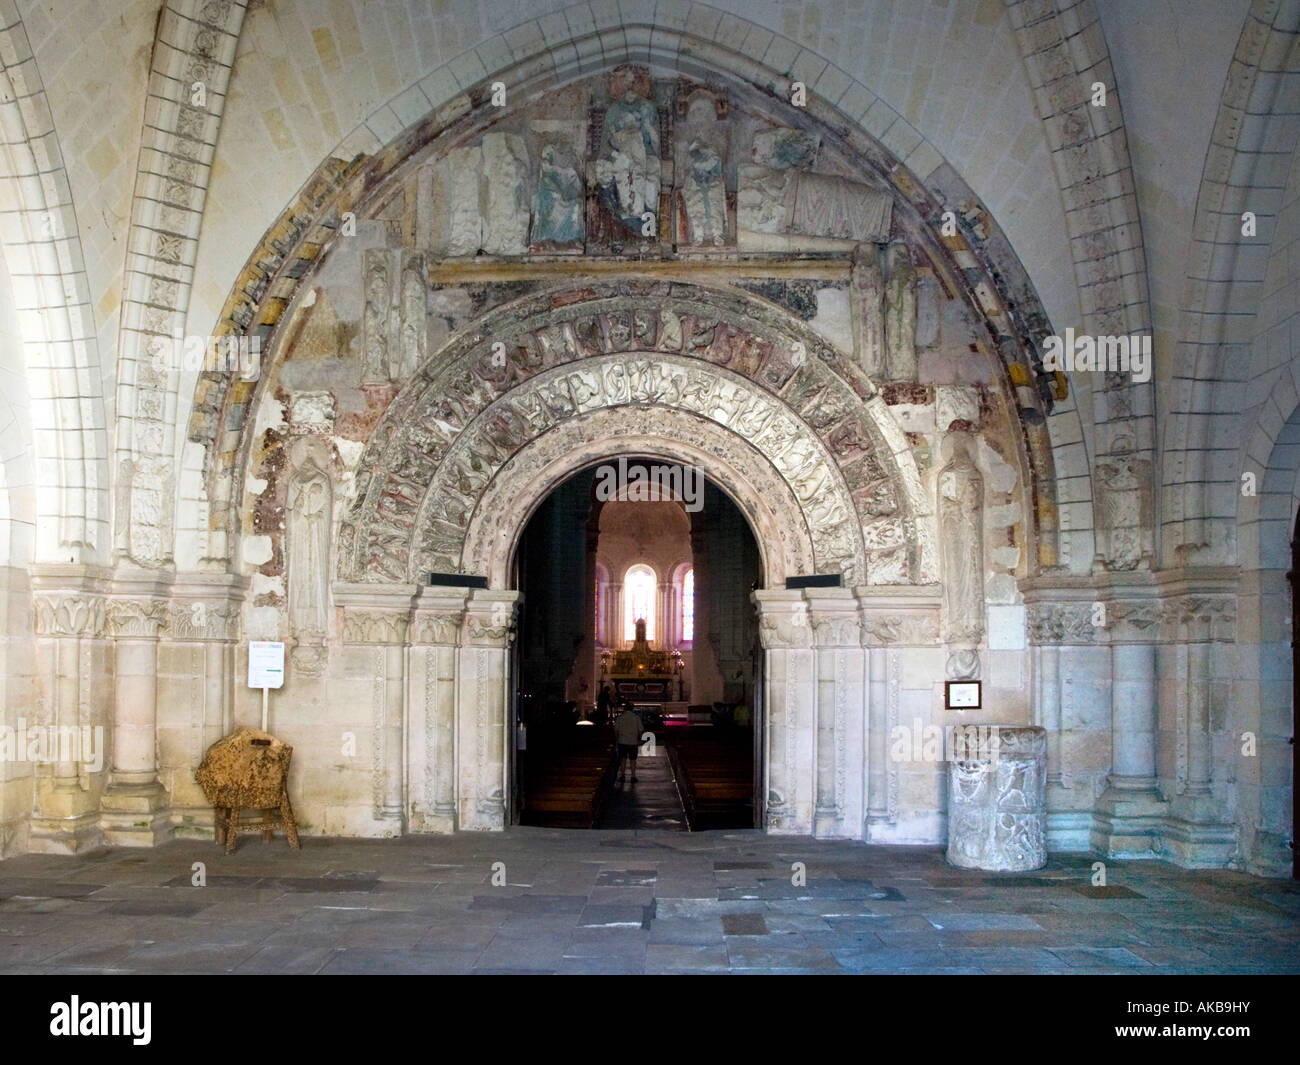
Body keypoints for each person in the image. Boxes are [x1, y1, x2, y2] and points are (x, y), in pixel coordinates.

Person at [614, 702, 643, 784]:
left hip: (622, 741)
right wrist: (639, 739)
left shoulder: (620, 718)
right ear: (632, 708)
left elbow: (616, 730)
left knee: (623, 759)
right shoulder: (636, 718)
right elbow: (640, 730)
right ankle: (633, 776)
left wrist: (617, 740)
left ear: (625, 708)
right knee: (633, 760)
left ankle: (622, 775)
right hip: (633, 741)